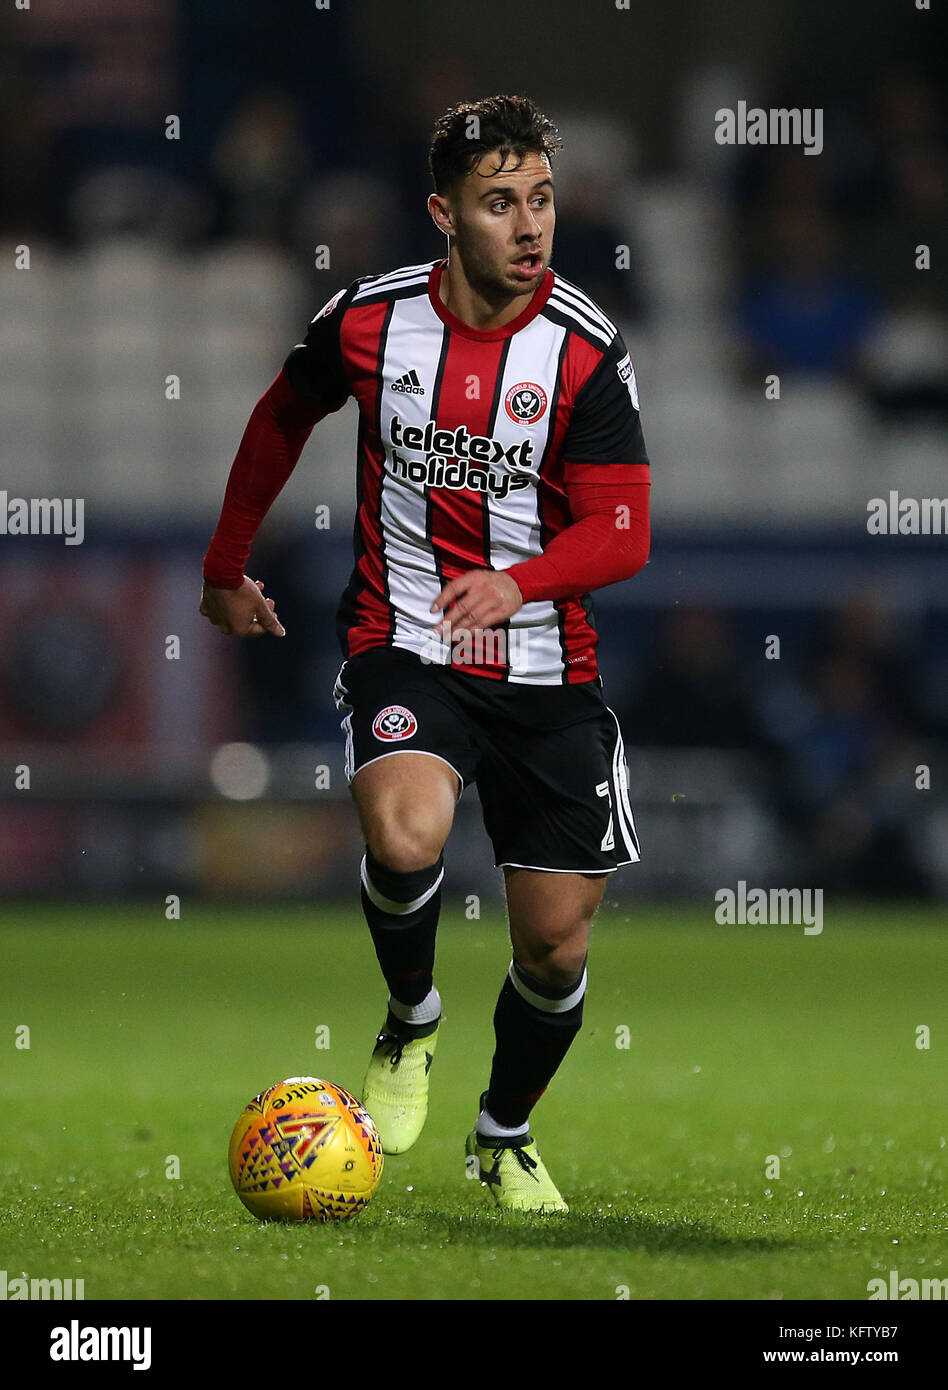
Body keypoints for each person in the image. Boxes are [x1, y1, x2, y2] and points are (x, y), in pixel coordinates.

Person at [200, 94, 651, 1212]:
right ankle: (411, 1021)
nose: (530, 223)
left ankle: (502, 1134)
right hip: (408, 638)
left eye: (541, 197)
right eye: (502, 202)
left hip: (549, 667)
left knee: (553, 950)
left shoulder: (585, 349)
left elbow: (623, 533)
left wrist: (521, 579)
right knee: (406, 833)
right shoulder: (369, 320)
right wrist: (224, 566)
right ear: (444, 212)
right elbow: (278, 418)